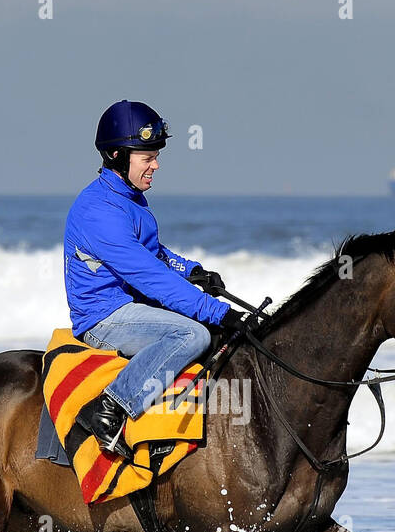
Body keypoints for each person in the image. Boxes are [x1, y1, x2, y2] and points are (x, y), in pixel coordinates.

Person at [63, 99, 255, 460]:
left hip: (133, 306)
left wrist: (190, 270)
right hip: (105, 317)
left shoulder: (128, 198)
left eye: (156, 156)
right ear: (118, 156)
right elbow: (150, 276)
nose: (156, 165)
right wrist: (217, 312)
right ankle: (109, 408)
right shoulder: (98, 210)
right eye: (147, 157)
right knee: (192, 333)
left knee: (215, 336)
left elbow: (154, 252)